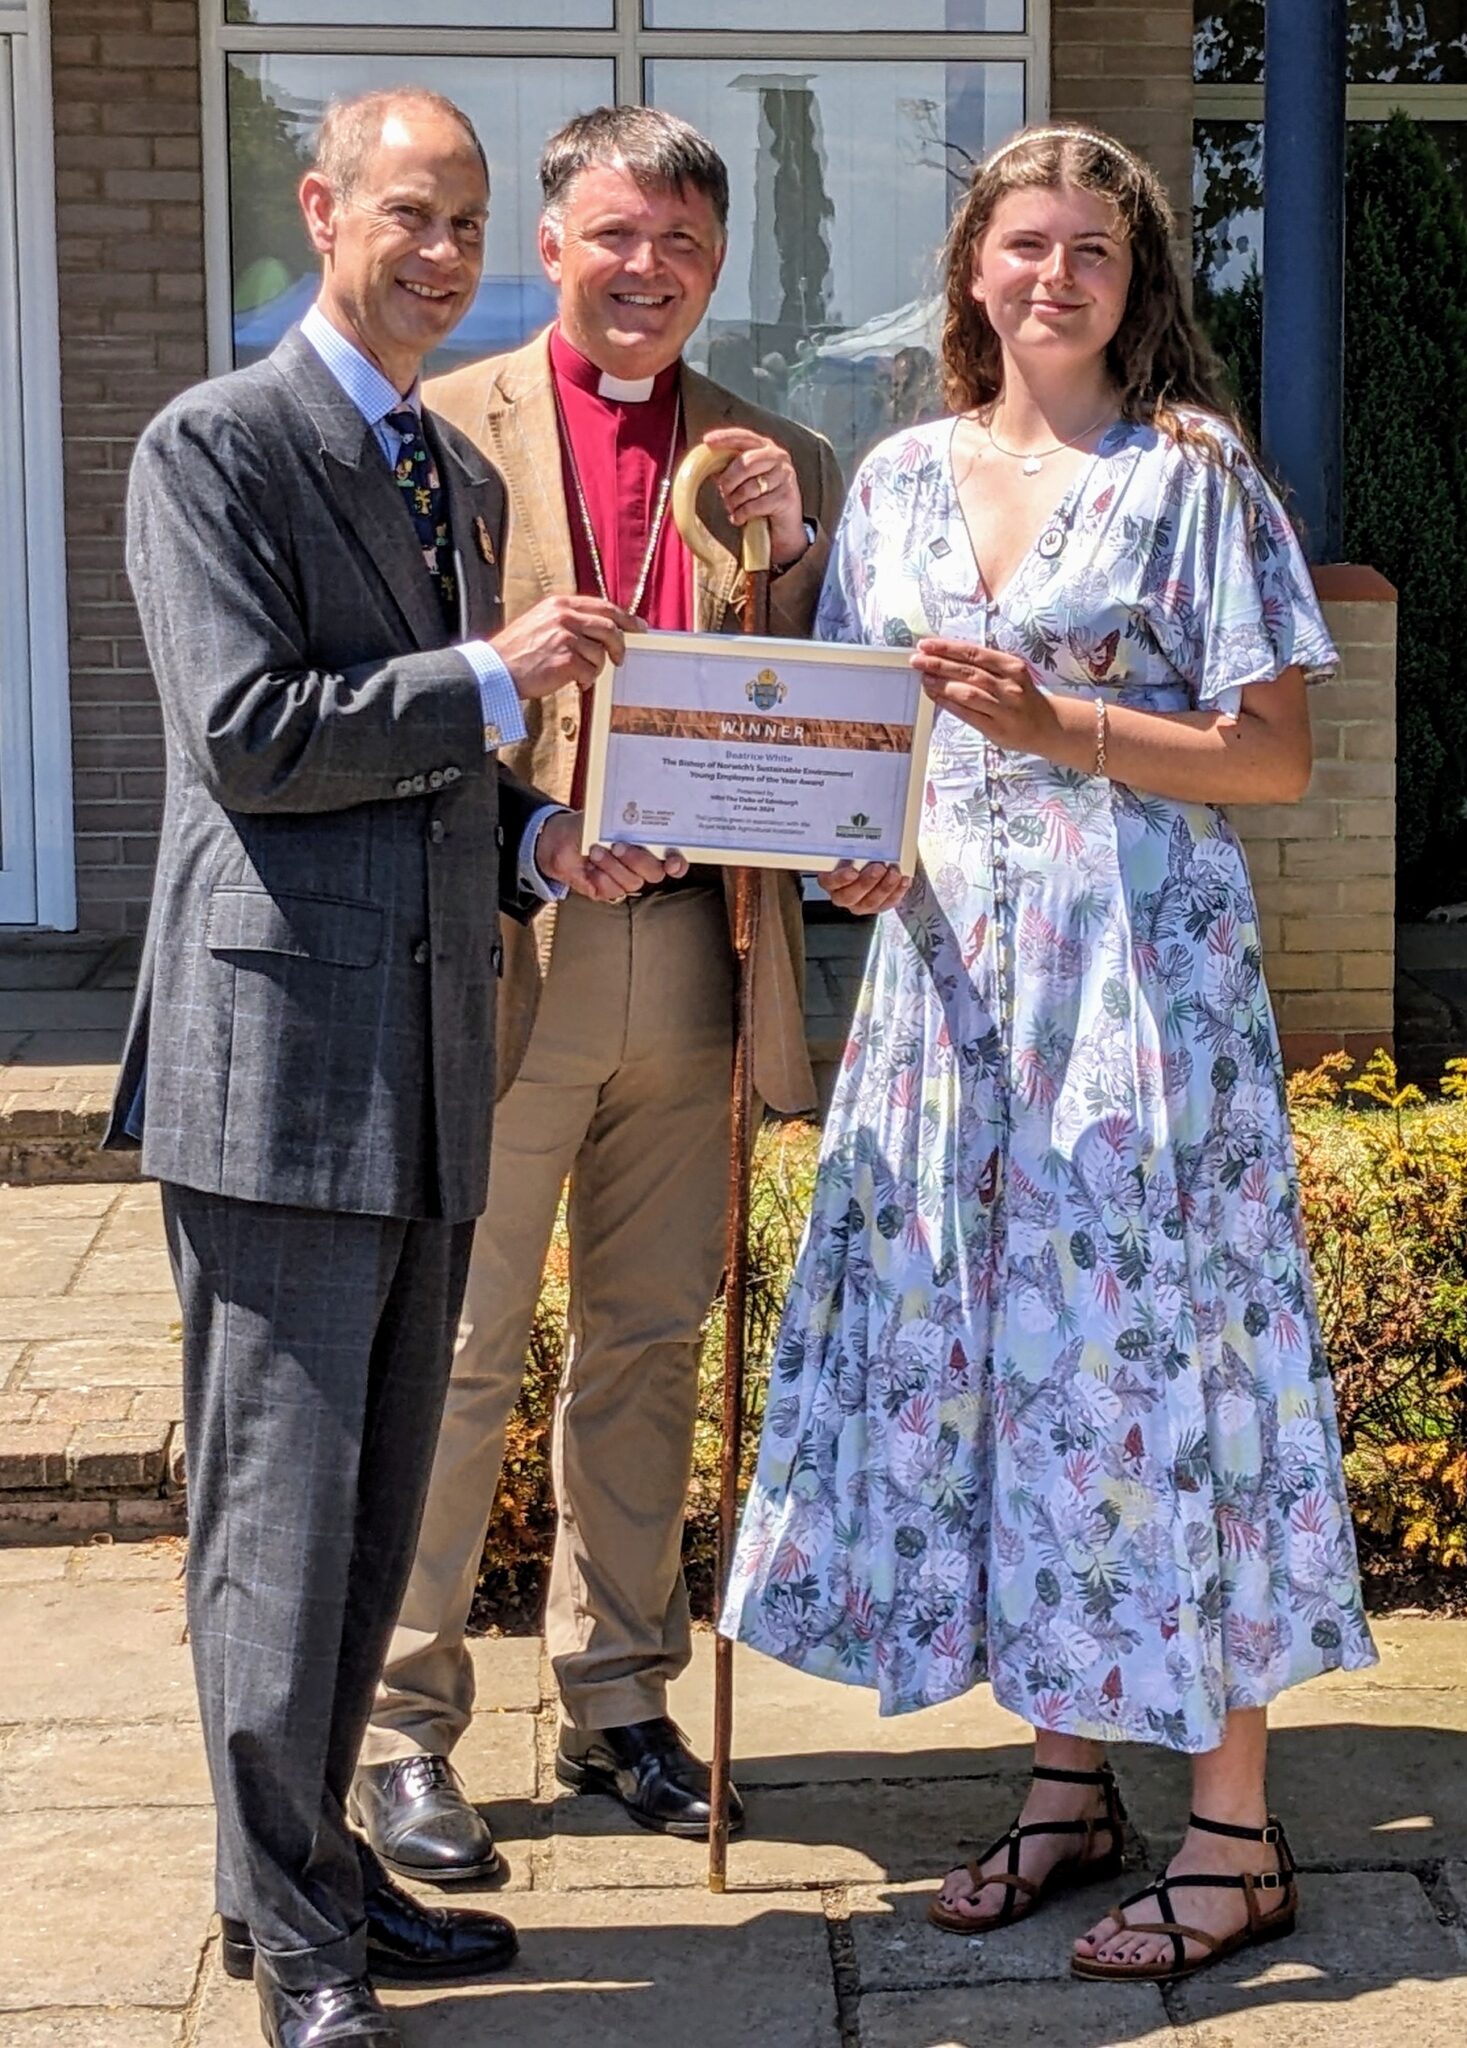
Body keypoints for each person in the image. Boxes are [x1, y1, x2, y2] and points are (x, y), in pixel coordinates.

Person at [719, 122, 1375, 1987]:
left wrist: (1060, 715)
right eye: (1024, 242)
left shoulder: (1189, 477)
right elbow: (874, 753)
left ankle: (1235, 1829)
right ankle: (1067, 1780)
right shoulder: (904, 481)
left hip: (1136, 1001)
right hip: (953, 995)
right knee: (1015, 1370)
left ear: (1135, 278)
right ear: (973, 272)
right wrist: (851, 850)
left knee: (1165, 1365)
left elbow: (1268, 759)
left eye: (1093, 246)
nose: (1055, 274)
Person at [111, 87, 676, 2048]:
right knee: (276, 1527)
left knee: (363, 1521)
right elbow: (253, 734)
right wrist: (504, 681)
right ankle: (295, 1948)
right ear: (322, 209)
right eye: (406, 218)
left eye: (462, 229)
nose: (439, 255)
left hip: (435, 1050)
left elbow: (436, 774)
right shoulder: (213, 448)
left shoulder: (453, 473)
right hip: (275, 1062)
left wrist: (542, 842)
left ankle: (318, 1870)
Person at [356, 104, 843, 1878]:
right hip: (504, 951)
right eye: (618, 236)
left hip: (705, 961)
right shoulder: (430, 430)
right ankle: (403, 1727)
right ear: (549, 243)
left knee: (644, 1349)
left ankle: (618, 1698)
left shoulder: (779, 452)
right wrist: (537, 826)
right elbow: (395, 696)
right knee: (457, 1352)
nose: (650, 273)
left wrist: (788, 568)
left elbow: (816, 711)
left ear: (718, 267)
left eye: (686, 249)